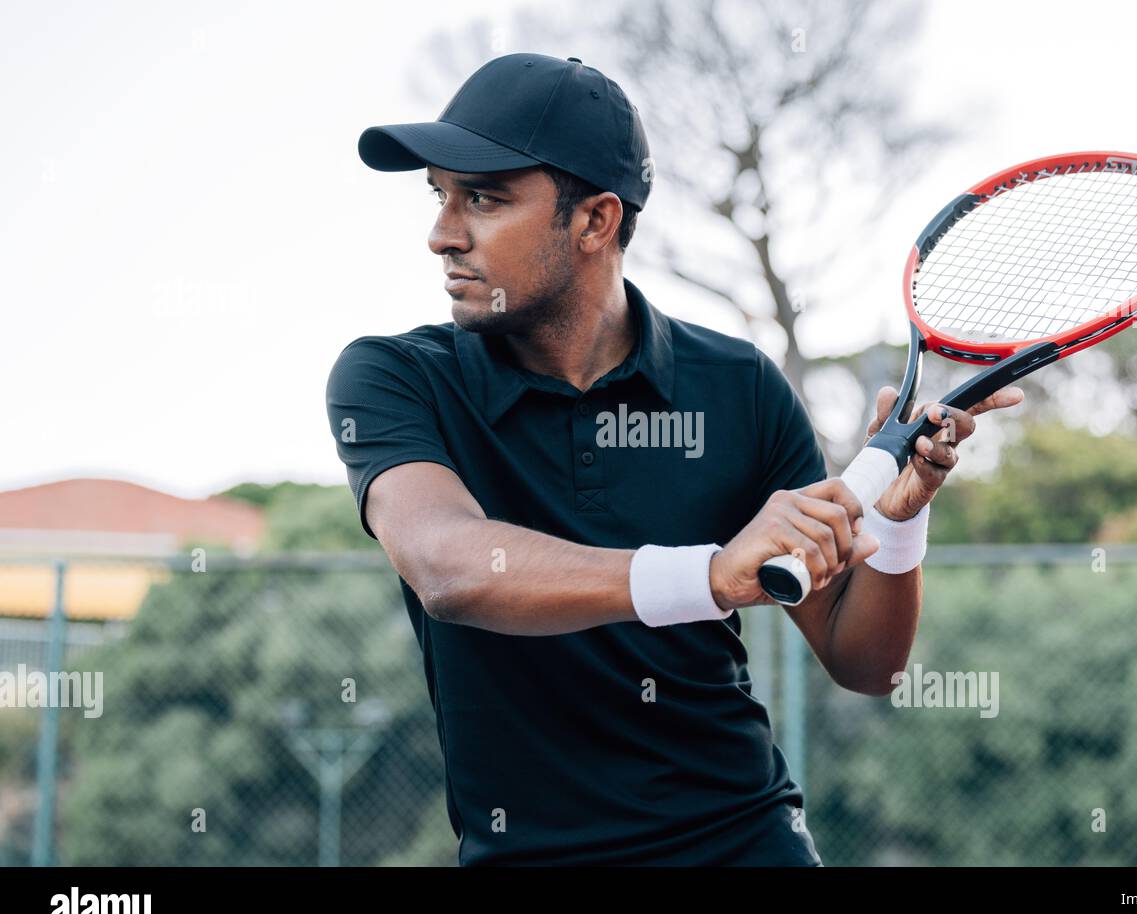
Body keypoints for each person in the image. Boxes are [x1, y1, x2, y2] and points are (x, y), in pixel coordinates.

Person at [326, 52, 1021, 866]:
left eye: (483, 197)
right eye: (440, 195)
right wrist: (712, 573)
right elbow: (451, 568)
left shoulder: (739, 386)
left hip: (747, 840)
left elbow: (864, 662)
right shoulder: (392, 378)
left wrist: (901, 527)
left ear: (595, 221)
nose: (443, 233)